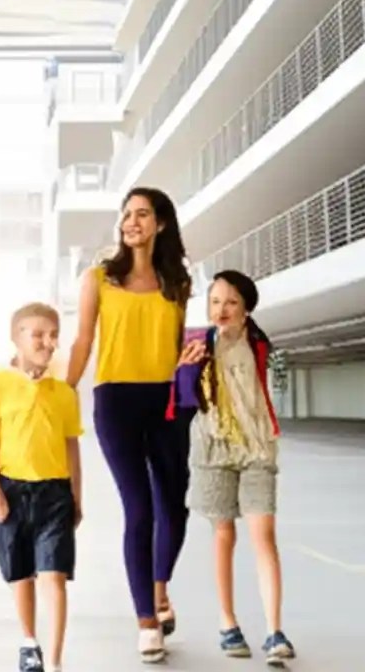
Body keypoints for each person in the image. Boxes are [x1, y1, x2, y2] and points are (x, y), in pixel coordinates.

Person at [64, 187, 193, 663]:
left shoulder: (178, 282)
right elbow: (81, 342)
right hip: (115, 400)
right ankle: (145, 619)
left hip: (168, 404)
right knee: (139, 510)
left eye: (142, 214)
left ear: (160, 224)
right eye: (126, 214)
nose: (131, 222)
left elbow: (179, 343)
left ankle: (160, 588)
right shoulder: (99, 278)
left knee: (174, 509)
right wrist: (64, 391)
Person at [170, 270, 296, 667]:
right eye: (215, 302)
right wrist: (185, 367)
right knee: (223, 534)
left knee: (265, 536)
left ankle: (275, 631)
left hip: (257, 448)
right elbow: (185, 399)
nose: (221, 310)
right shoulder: (196, 343)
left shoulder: (259, 343)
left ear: (246, 309)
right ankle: (228, 623)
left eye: (231, 302)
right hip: (213, 449)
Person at [0, 303, 83, 672]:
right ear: (16, 337)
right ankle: (29, 642)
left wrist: (76, 496)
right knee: (20, 572)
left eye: (53, 334)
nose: (47, 342)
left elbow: (72, 445)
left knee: (54, 576)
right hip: (11, 490)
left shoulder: (64, 392)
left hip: (55, 493)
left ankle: (54, 661)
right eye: (37, 334)